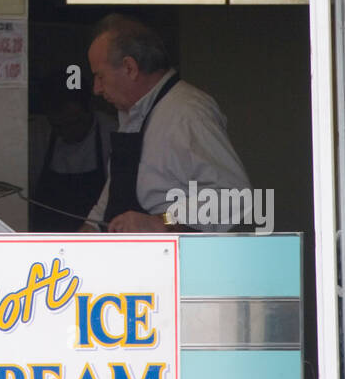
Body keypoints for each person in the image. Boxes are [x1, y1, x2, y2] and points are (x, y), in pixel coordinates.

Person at [83, 13, 250, 233]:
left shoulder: (187, 111)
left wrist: (162, 222)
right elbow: (110, 201)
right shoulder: (132, 116)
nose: (96, 89)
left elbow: (234, 198)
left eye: (100, 76)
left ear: (129, 68)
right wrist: (86, 233)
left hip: (174, 260)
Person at [28, 87, 113, 231]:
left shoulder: (110, 131)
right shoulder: (37, 134)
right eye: (60, 125)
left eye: (74, 122)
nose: (68, 131)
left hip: (92, 236)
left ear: (89, 111)